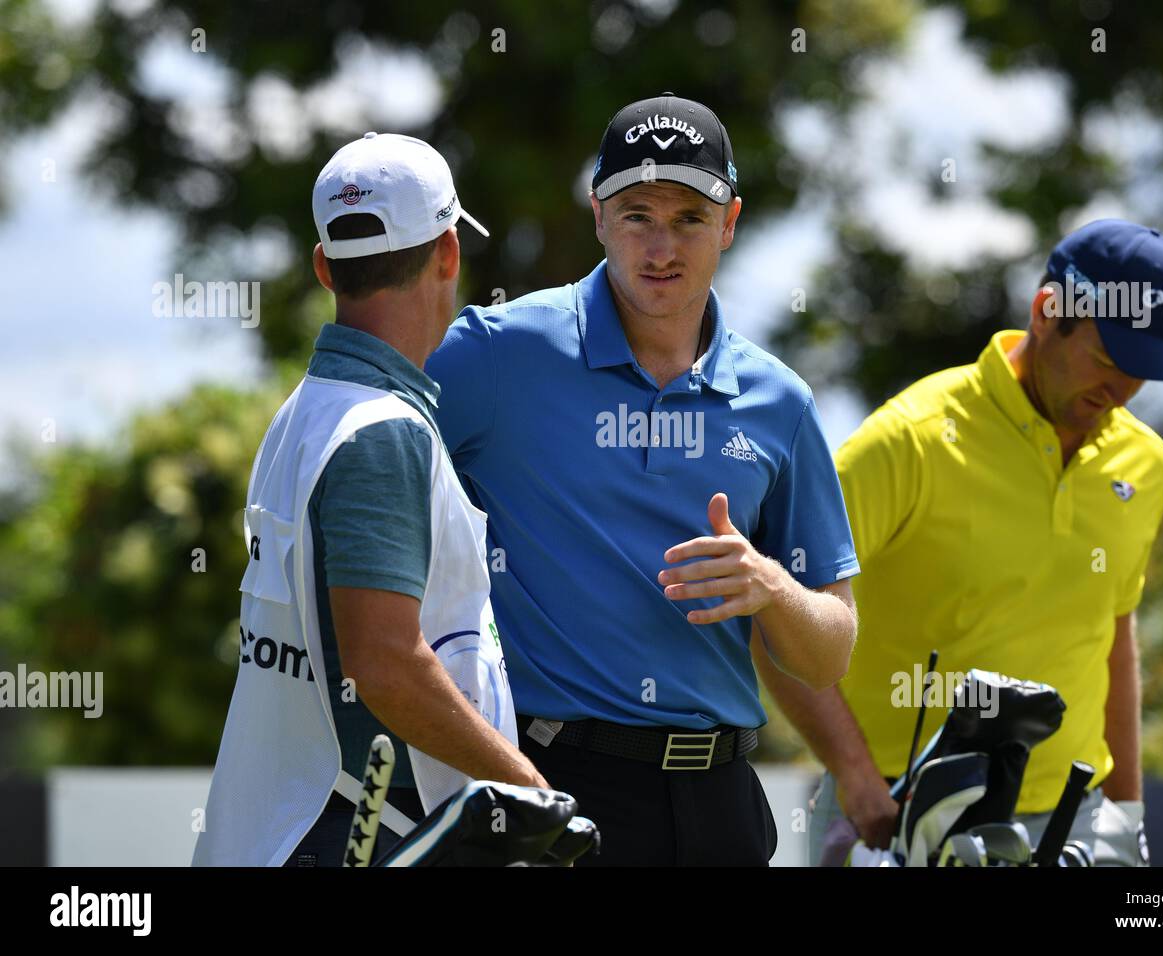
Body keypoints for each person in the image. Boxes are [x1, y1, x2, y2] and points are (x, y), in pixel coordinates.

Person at [424, 93, 860, 866]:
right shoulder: (496, 354)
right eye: (636, 215)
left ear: (728, 225)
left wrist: (769, 586)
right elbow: (364, 459)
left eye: (690, 218)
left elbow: (829, 653)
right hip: (549, 784)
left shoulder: (780, 401)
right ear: (598, 216)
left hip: (723, 803)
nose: (661, 245)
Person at [759, 219, 1163, 867]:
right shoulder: (909, 439)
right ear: (1048, 312)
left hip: (1073, 823)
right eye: (1110, 359)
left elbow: (1115, 632)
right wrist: (855, 777)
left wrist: (1127, 813)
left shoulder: (1144, 462)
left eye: (1145, 371)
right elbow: (776, 615)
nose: (1123, 390)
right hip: (895, 817)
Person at [193, 132, 547, 868]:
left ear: (325, 265)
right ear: (448, 253)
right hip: (343, 841)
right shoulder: (381, 430)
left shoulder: (307, 410)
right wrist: (527, 790)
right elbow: (383, 662)